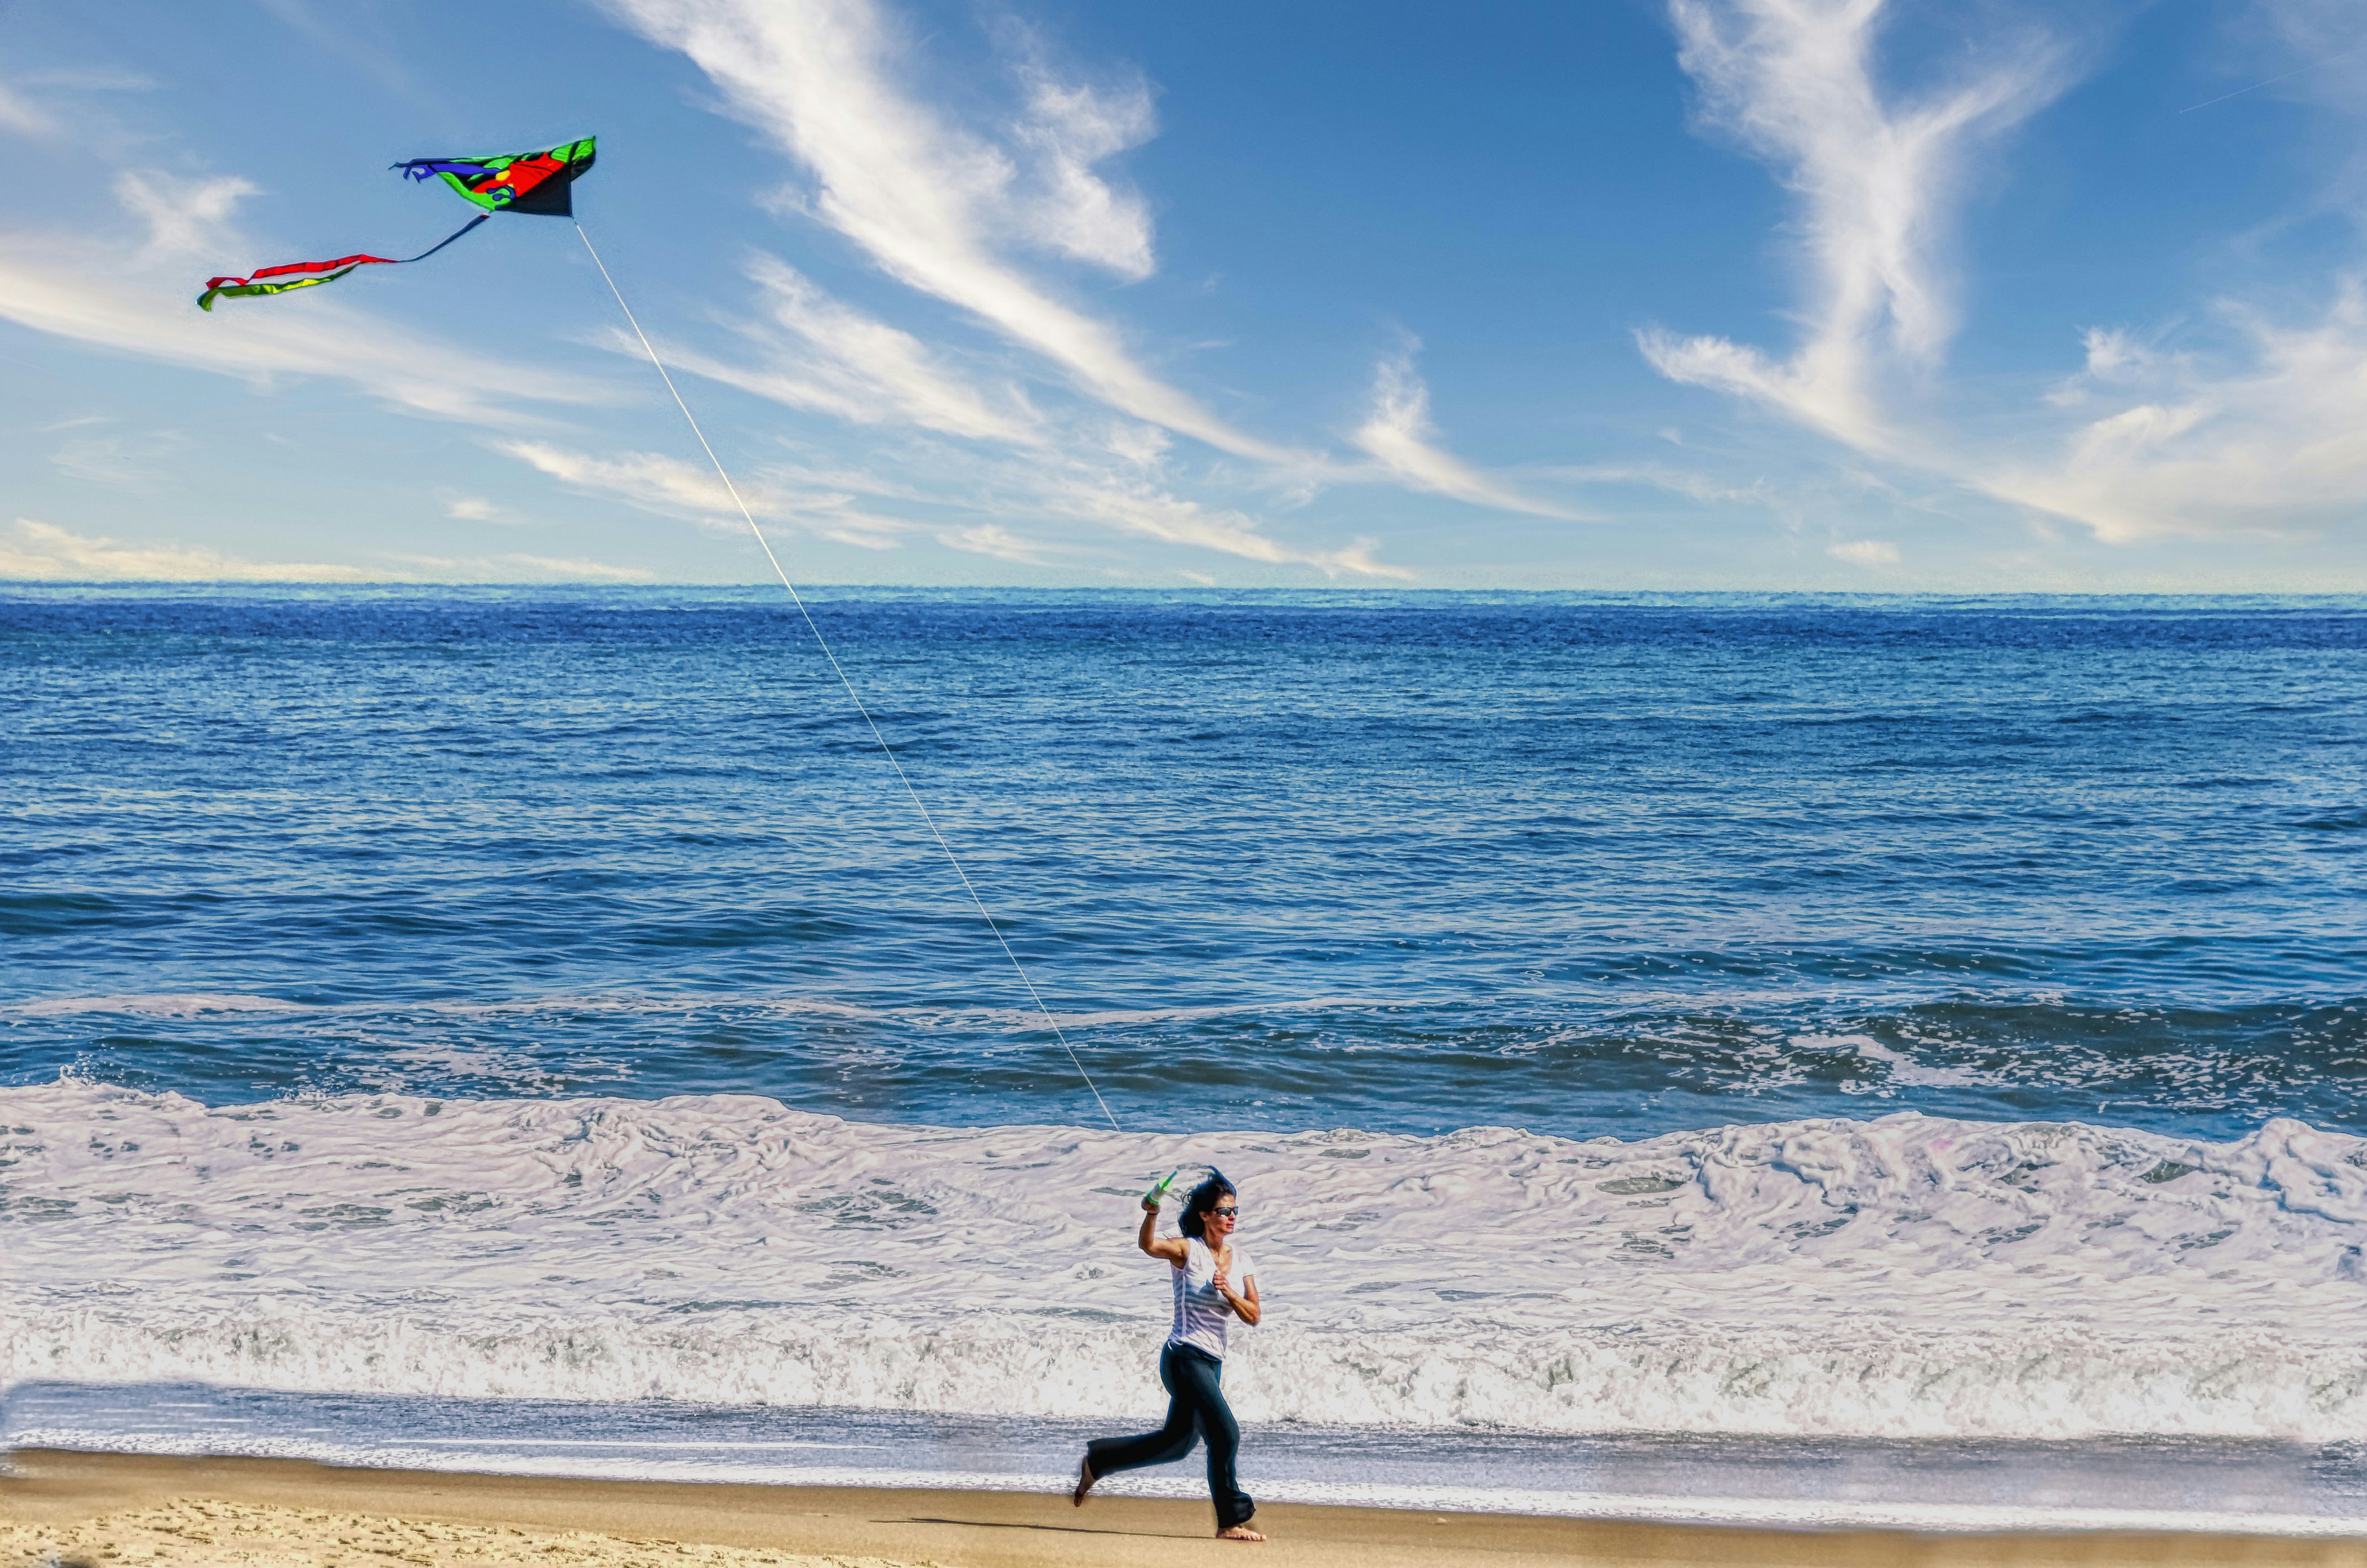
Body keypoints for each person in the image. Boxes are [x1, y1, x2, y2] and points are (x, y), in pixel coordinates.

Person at [1072, 1171, 1264, 1541]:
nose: (1232, 1217)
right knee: (1226, 1434)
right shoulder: (1187, 1250)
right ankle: (1230, 1521)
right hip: (1183, 1358)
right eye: (1224, 1211)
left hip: (1211, 1363)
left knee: (1175, 1444)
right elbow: (1148, 1245)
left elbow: (1253, 1315)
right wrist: (1151, 1211)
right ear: (1206, 1215)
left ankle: (1098, 1461)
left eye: (1235, 1210)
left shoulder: (1242, 1261)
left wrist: (1231, 1294)